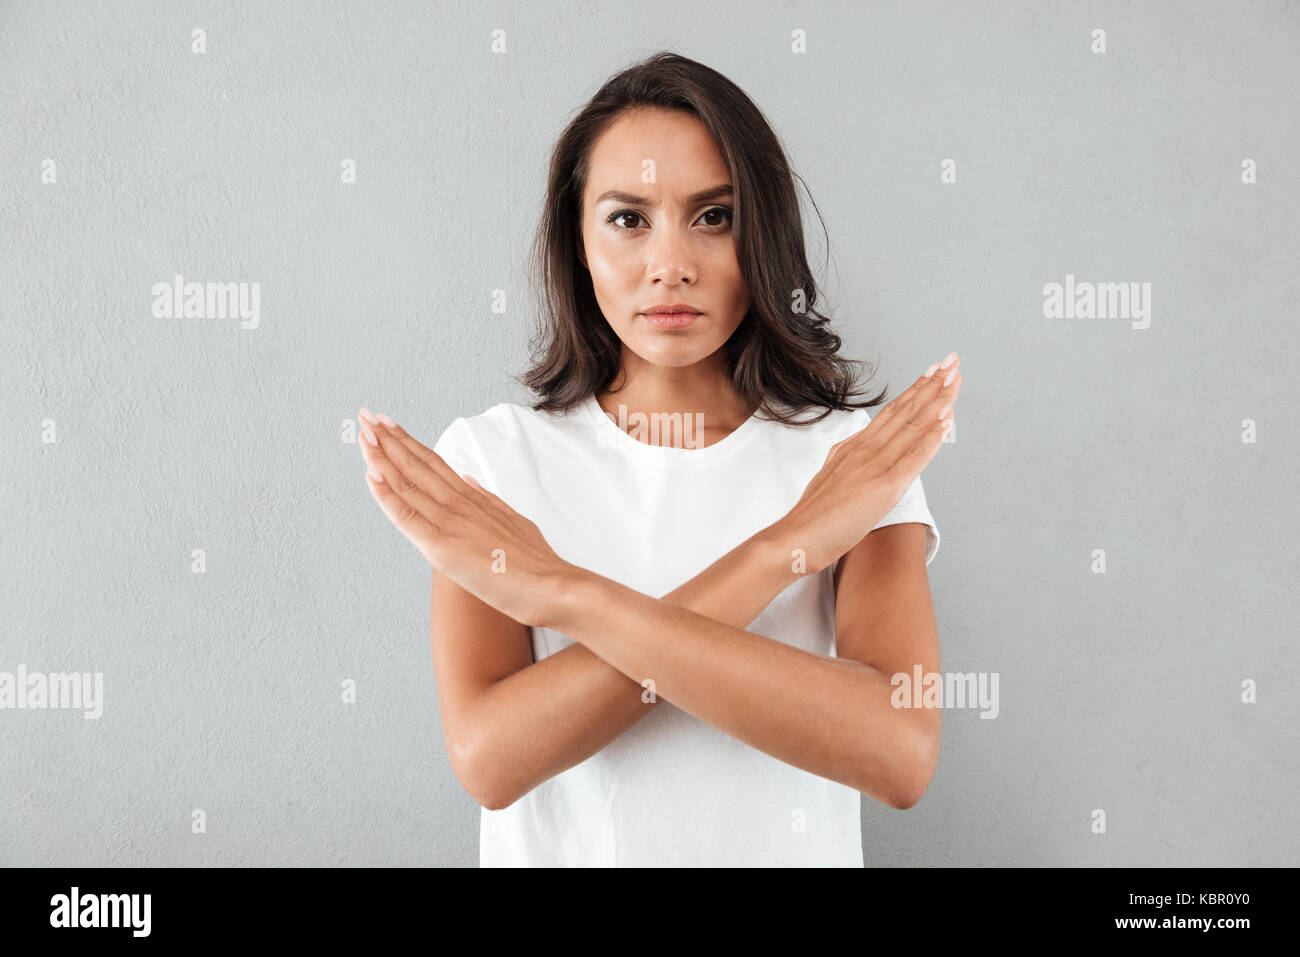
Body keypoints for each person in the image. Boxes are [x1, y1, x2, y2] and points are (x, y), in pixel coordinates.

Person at [357, 51, 962, 866]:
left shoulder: (852, 462)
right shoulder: (496, 460)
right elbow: (491, 759)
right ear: (577, 239)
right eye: (628, 218)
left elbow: (899, 752)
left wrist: (562, 594)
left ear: (763, 234)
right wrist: (787, 550)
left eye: (714, 216)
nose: (670, 264)